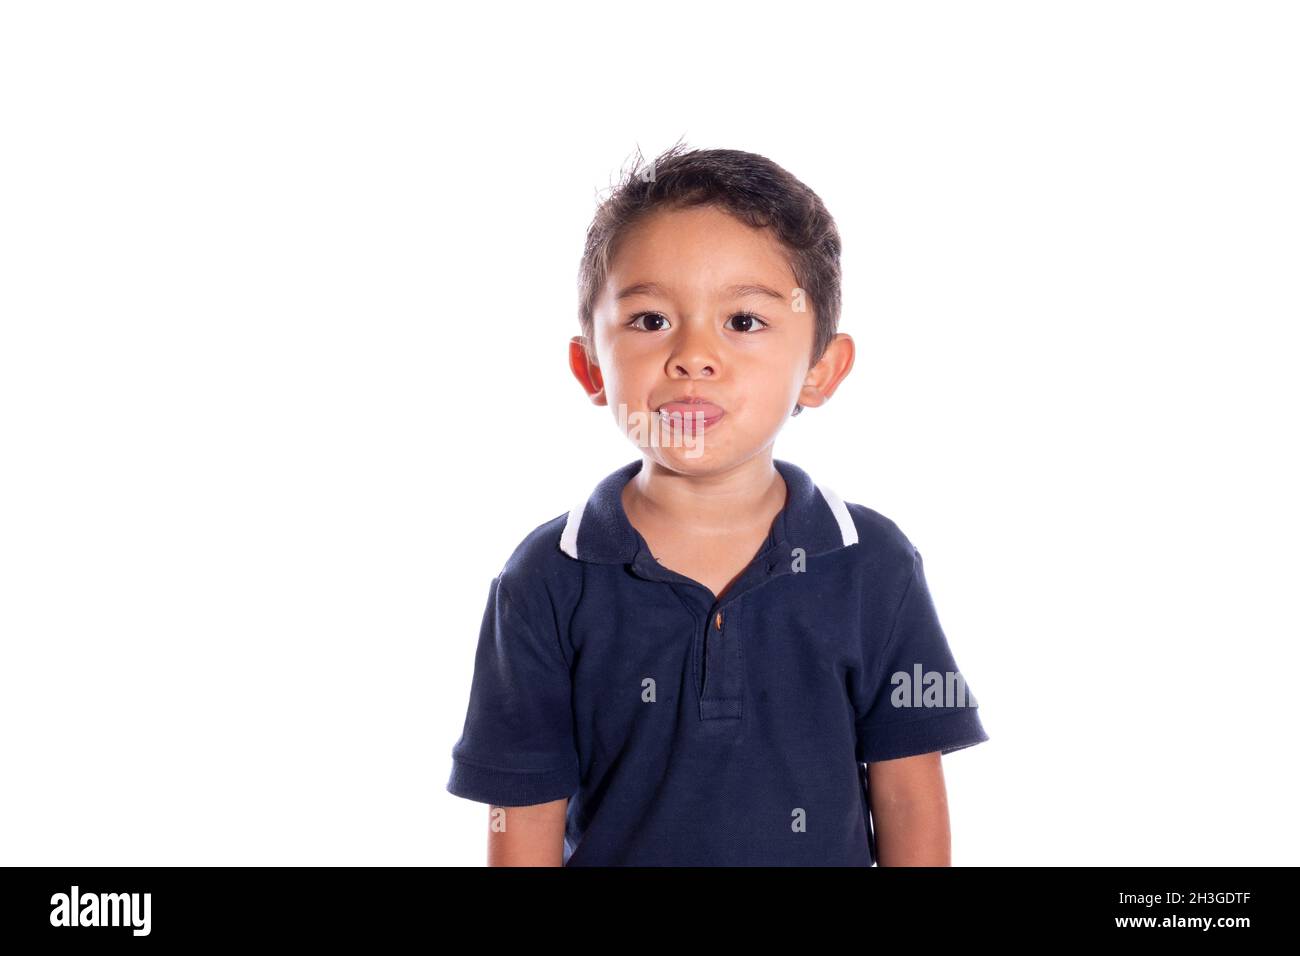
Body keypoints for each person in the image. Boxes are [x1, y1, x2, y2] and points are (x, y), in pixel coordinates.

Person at [446, 141, 989, 865]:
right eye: (649, 321)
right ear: (590, 367)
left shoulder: (874, 563)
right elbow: (523, 814)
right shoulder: (545, 578)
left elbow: (909, 790)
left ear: (821, 370)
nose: (694, 356)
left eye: (742, 322)